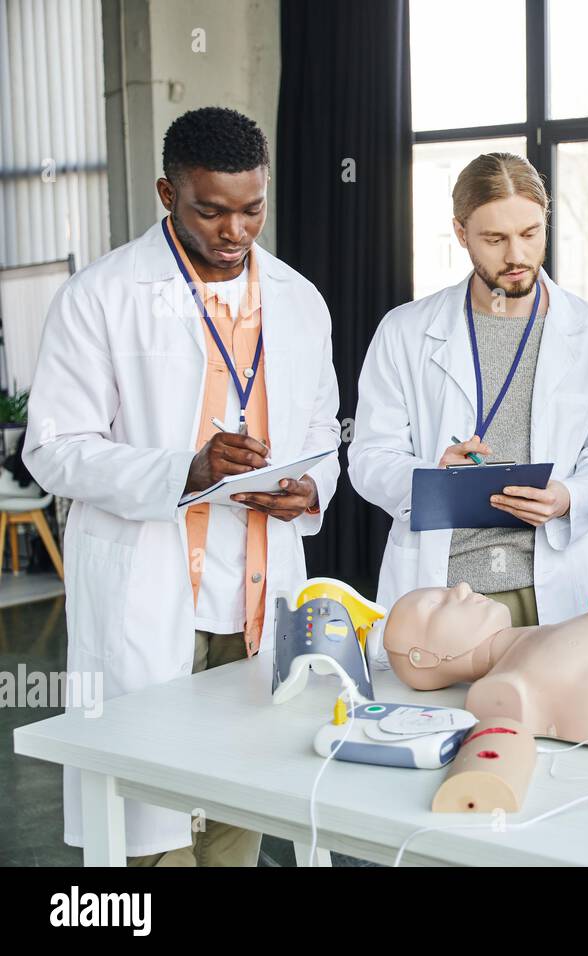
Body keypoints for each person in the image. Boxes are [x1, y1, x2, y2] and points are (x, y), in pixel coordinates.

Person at [24, 106, 342, 865]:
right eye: (212, 211)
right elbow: (55, 449)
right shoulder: (102, 296)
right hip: (154, 597)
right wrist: (184, 471)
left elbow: (325, 434)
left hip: (254, 607)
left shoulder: (298, 301)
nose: (236, 230)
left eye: (252, 209)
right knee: (151, 838)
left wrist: (309, 488)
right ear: (167, 194)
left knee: (239, 815)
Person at [350, 153, 588, 641]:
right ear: (461, 233)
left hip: (544, 588)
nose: (517, 256)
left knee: (539, 718)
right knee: (427, 718)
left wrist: (569, 496)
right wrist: (430, 478)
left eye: (530, 233)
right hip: (437, 593)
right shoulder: (405, 331)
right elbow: (368, 456)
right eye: (495, 239)